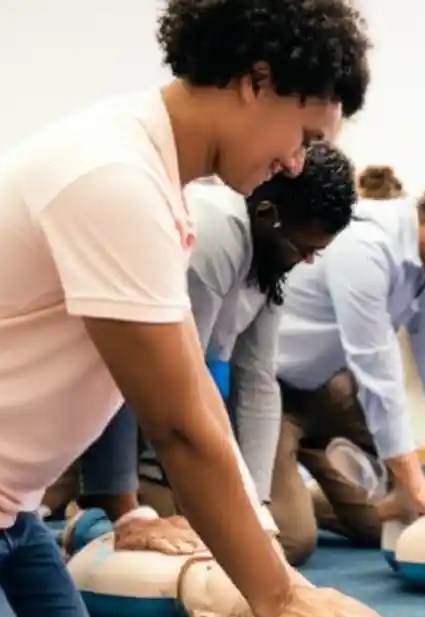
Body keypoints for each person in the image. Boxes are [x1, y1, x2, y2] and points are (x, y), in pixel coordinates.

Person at [0, 3, 399, 617]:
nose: (296, 163)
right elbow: (176, 427)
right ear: (254, 82)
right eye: (303, 136)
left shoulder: (152, 177)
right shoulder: (111, 175)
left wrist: (268, 558)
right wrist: (276, 594)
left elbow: (199, 398)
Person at [73, 140, 357, 554]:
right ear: (266, 216)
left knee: (289, 539)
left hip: (185, 402)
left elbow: (258, 380)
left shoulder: (275, 251)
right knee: (209, 548)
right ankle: (92, 515)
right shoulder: (213, 236)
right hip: (128, 411)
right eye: (305, 249)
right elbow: (175, 384)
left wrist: (257, 504)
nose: (308, 261)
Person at [270, 164, 425, 564]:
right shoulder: (363, 245)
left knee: (385, 523)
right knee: (294, 540)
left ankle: (295, 494)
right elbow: (376, 372)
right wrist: (416, 486)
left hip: (322, 386)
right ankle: (245, 500)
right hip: (272, 390)